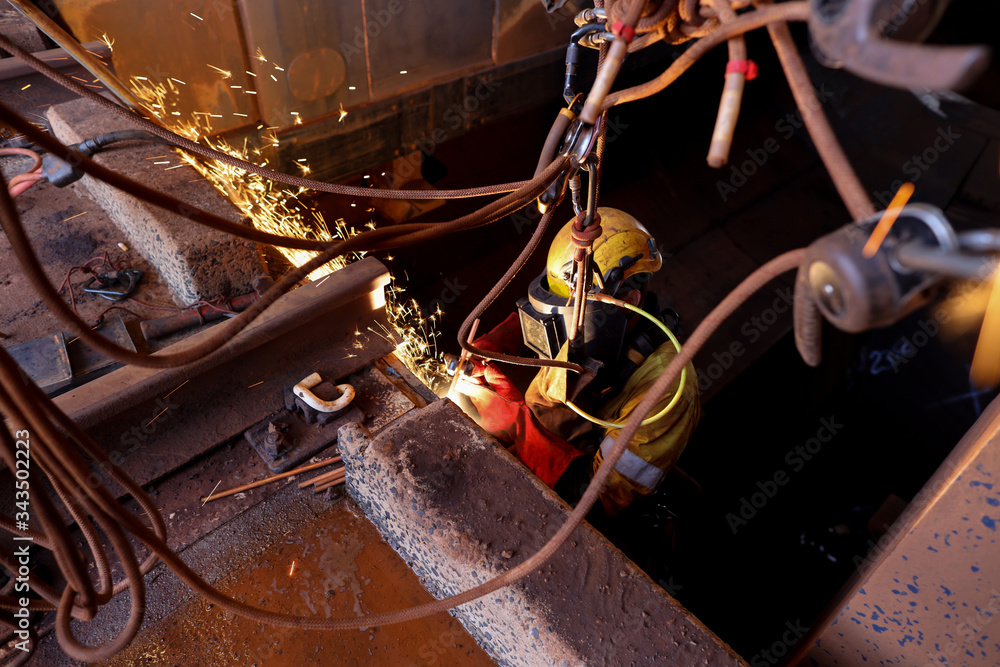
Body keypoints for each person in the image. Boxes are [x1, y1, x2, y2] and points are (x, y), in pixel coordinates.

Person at [456, 207, 700, 516]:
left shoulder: (668, 389)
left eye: (571, 314)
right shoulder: (591, 320)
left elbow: (593, 500)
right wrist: (496, 344)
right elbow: (553, 313)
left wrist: (518, 425)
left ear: (627, 302)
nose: (562, 321)